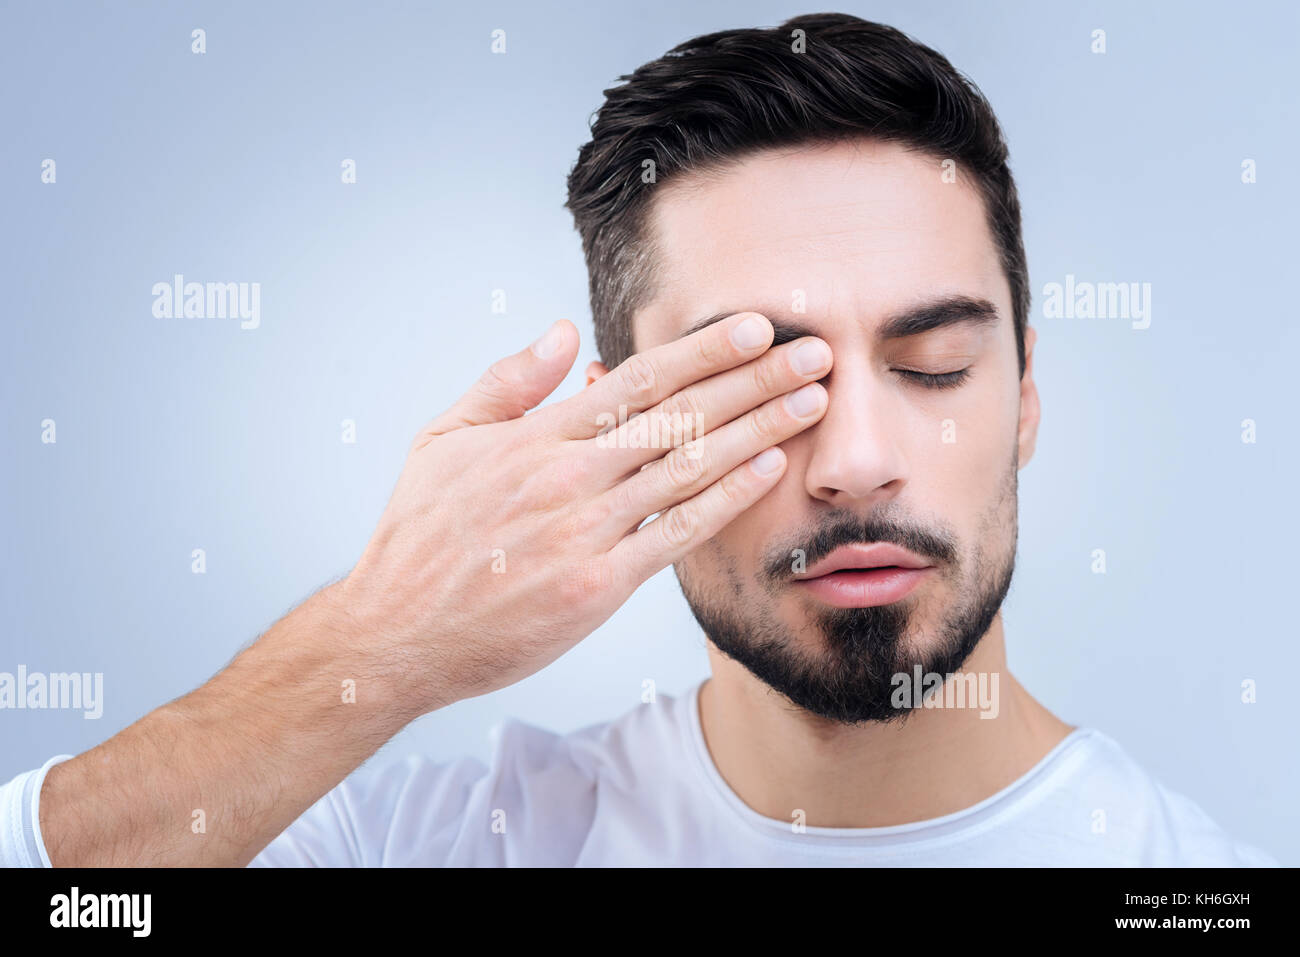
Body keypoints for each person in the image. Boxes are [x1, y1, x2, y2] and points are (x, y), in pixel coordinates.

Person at [0, 13, 1275, 867]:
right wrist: (373, 645)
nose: (852, 460)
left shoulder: (1182, 883)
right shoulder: (440, 845)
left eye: (932, 363)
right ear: (623, 429)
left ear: (1027, 394)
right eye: (757, 386)